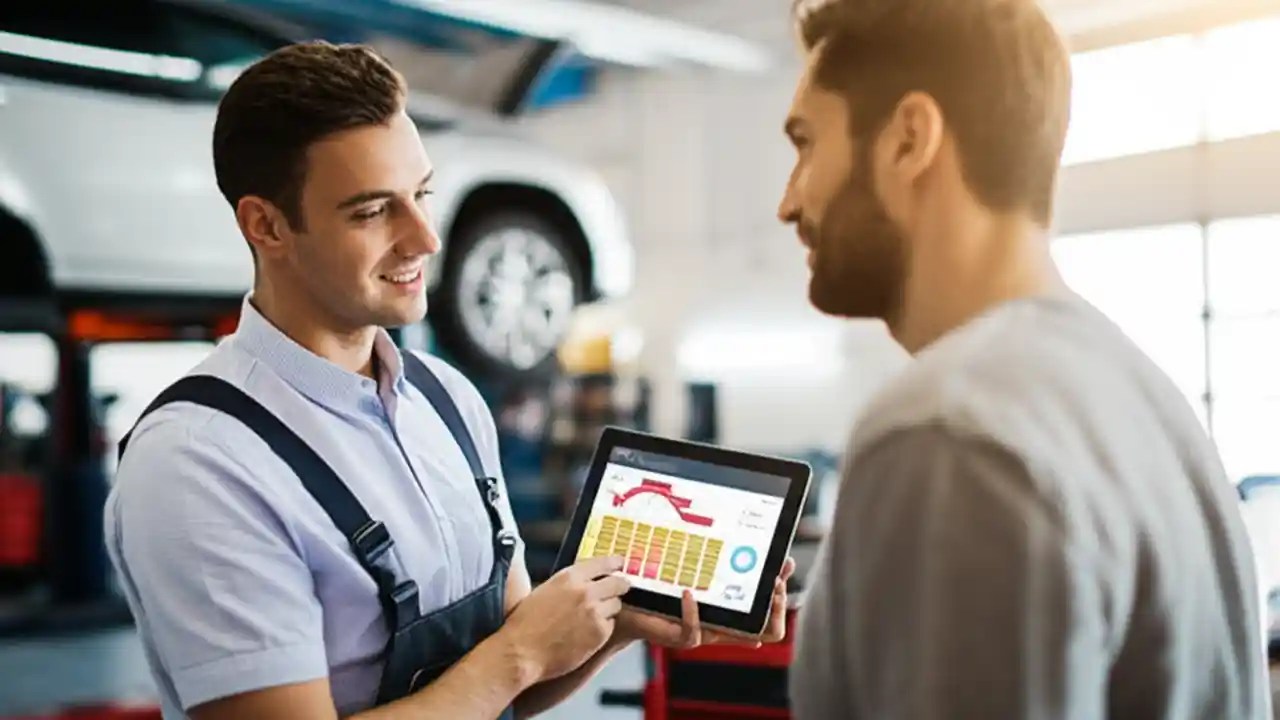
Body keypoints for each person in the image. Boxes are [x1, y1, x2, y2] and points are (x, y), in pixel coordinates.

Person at [105, 41, 793, 720]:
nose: (426, 239)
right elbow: (511, 663)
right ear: (267, 225)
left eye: (423, 194)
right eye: (374, 211)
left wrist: (623, 621)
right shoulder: (198, 463)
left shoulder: (448, 402)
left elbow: (510, 688)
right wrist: (520, 652)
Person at [776, 1, 1271, 718]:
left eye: (805, 145)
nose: (789, 202)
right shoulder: (1145, 401)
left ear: (909, 139)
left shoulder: (948, 432)